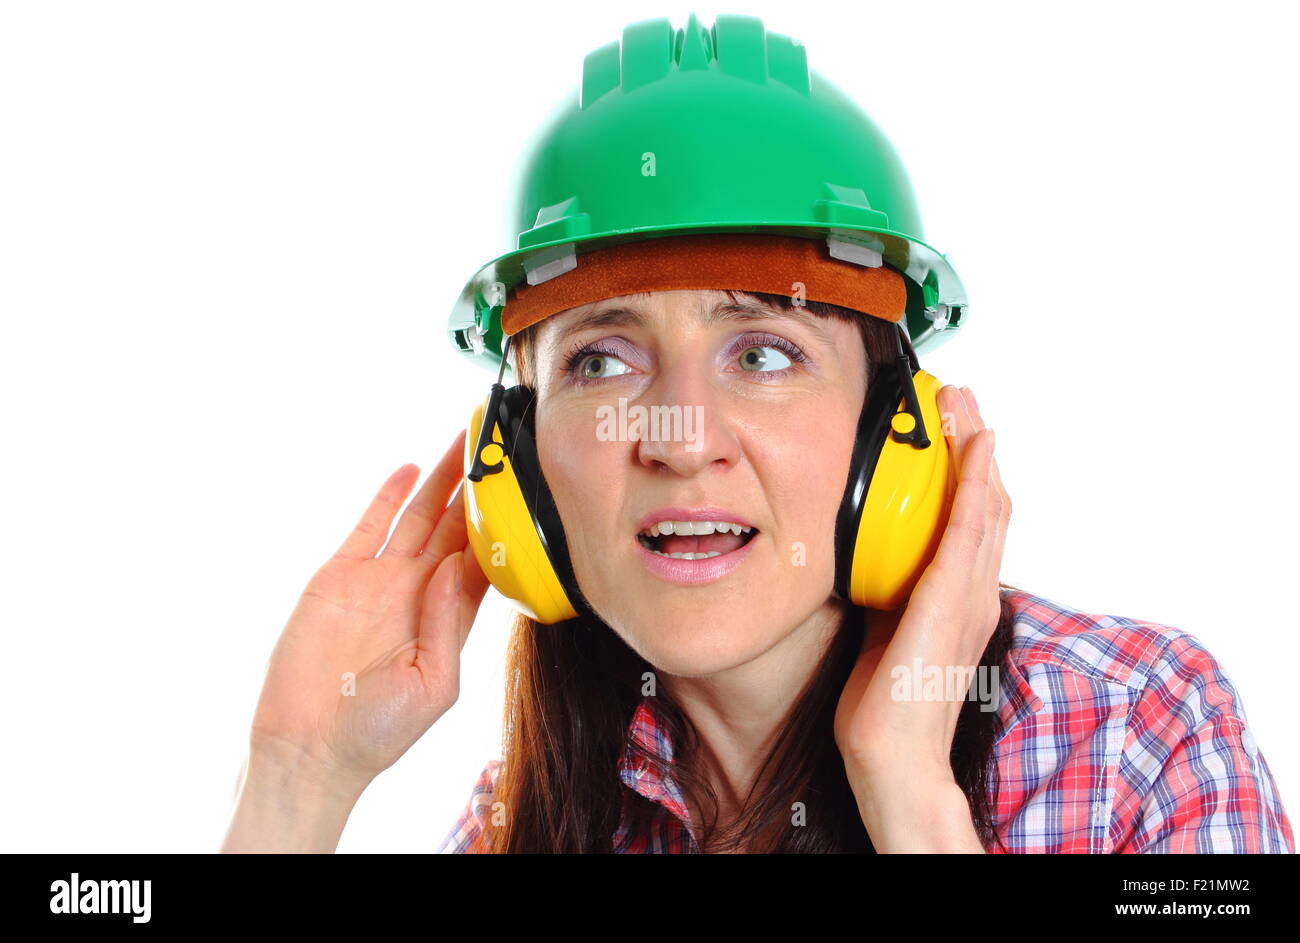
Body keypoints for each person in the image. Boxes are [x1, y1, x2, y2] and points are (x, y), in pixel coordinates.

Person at [220, 14, 1294, 854]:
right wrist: (296, 777)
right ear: (522, 475)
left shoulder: (1138, 734)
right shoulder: (530, 814)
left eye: (765, 353)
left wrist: (913, 798)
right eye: (601, 360)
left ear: (895, 429)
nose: (682, 442)